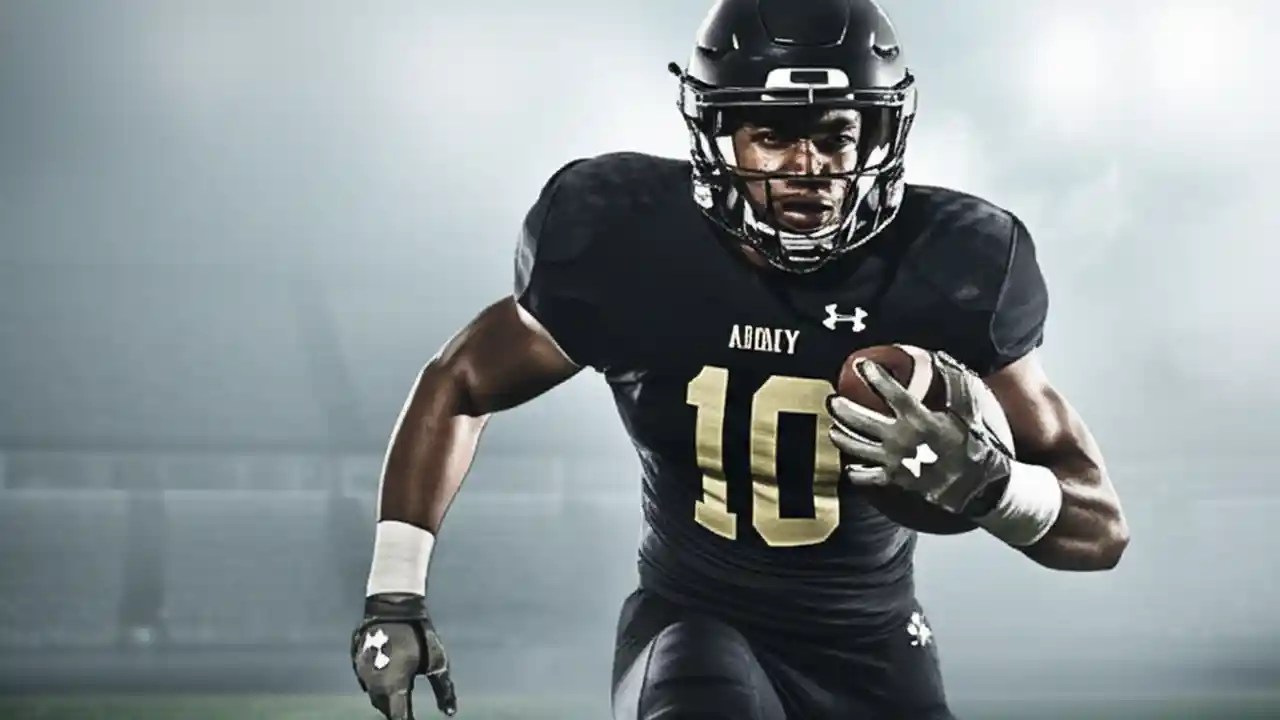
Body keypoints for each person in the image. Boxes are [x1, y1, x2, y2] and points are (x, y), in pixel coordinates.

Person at [350, 0, 1130, 718]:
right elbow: (460, 384)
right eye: (774, 135)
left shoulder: (953, 264)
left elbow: (1100, 529)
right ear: (717, 134)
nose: (808, 167)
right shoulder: (623, 238)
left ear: (879, 135)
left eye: (835, 136)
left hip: (874, 642)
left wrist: (994, 487)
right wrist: (394, 595)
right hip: (696, 622)